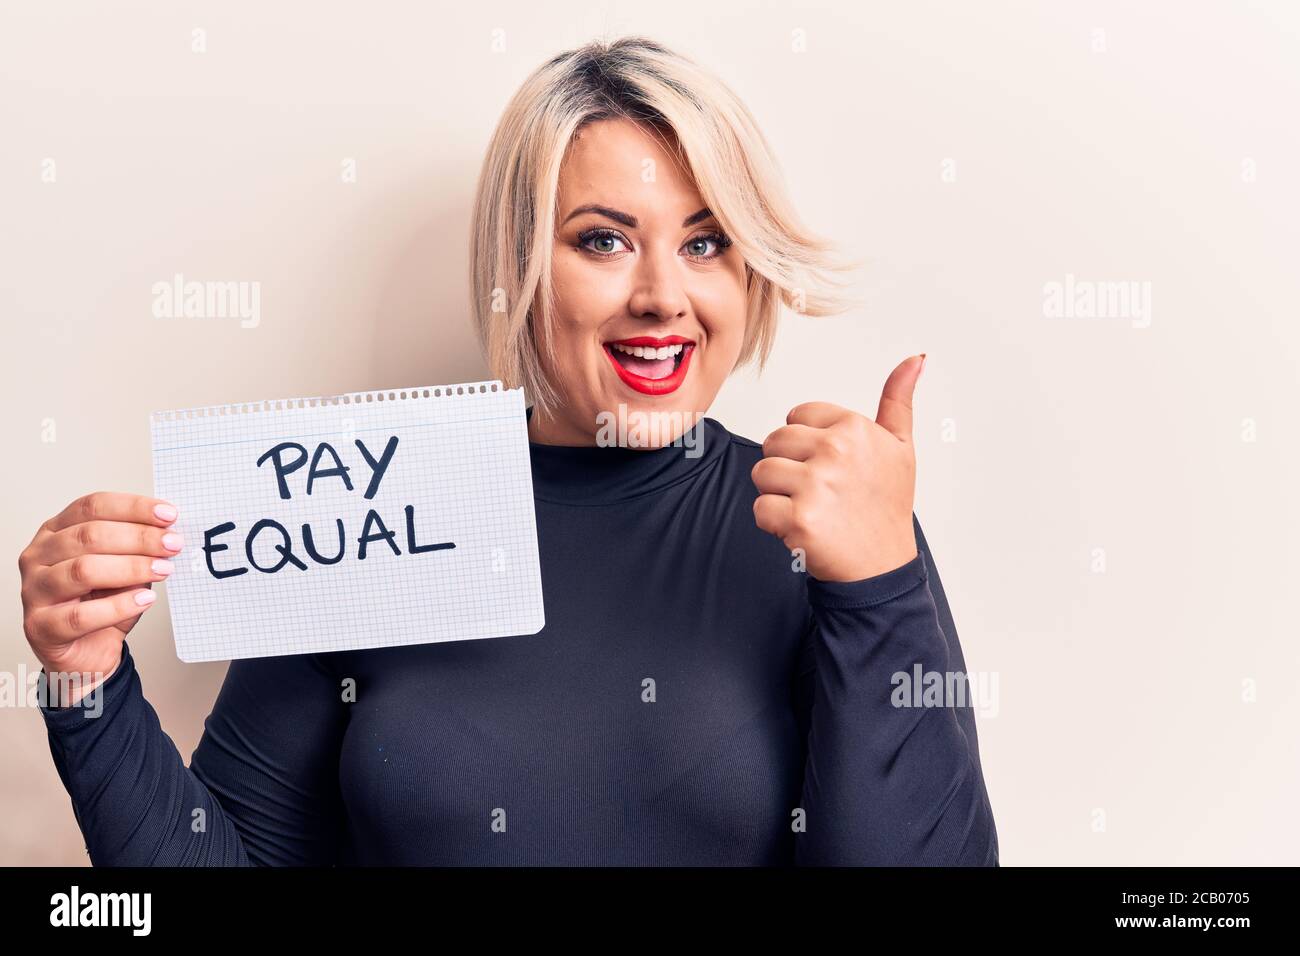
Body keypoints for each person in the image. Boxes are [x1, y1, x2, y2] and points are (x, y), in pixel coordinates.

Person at [19, 36, 998, 865]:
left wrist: (880, 589)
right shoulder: (363, 506)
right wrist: (86, 678)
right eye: (605, 240)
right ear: (519, 267)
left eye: (705, 242)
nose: (661, 293)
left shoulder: (831, 529)